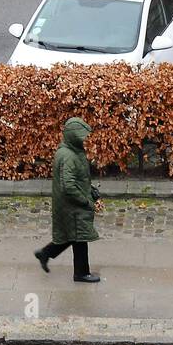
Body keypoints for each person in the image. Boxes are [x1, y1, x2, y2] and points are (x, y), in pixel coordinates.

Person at [35, 117, 102, 283]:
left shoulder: (72, 151)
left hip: (69, 205)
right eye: (82, 137)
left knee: (72, 237)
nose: (85, 140)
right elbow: (69, 186)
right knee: (79, 238)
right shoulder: (68, 155)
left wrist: (91, 191)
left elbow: (77, 179)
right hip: (72, 206)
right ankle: (81, 273)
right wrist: (85, 201)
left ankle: (44, 253)